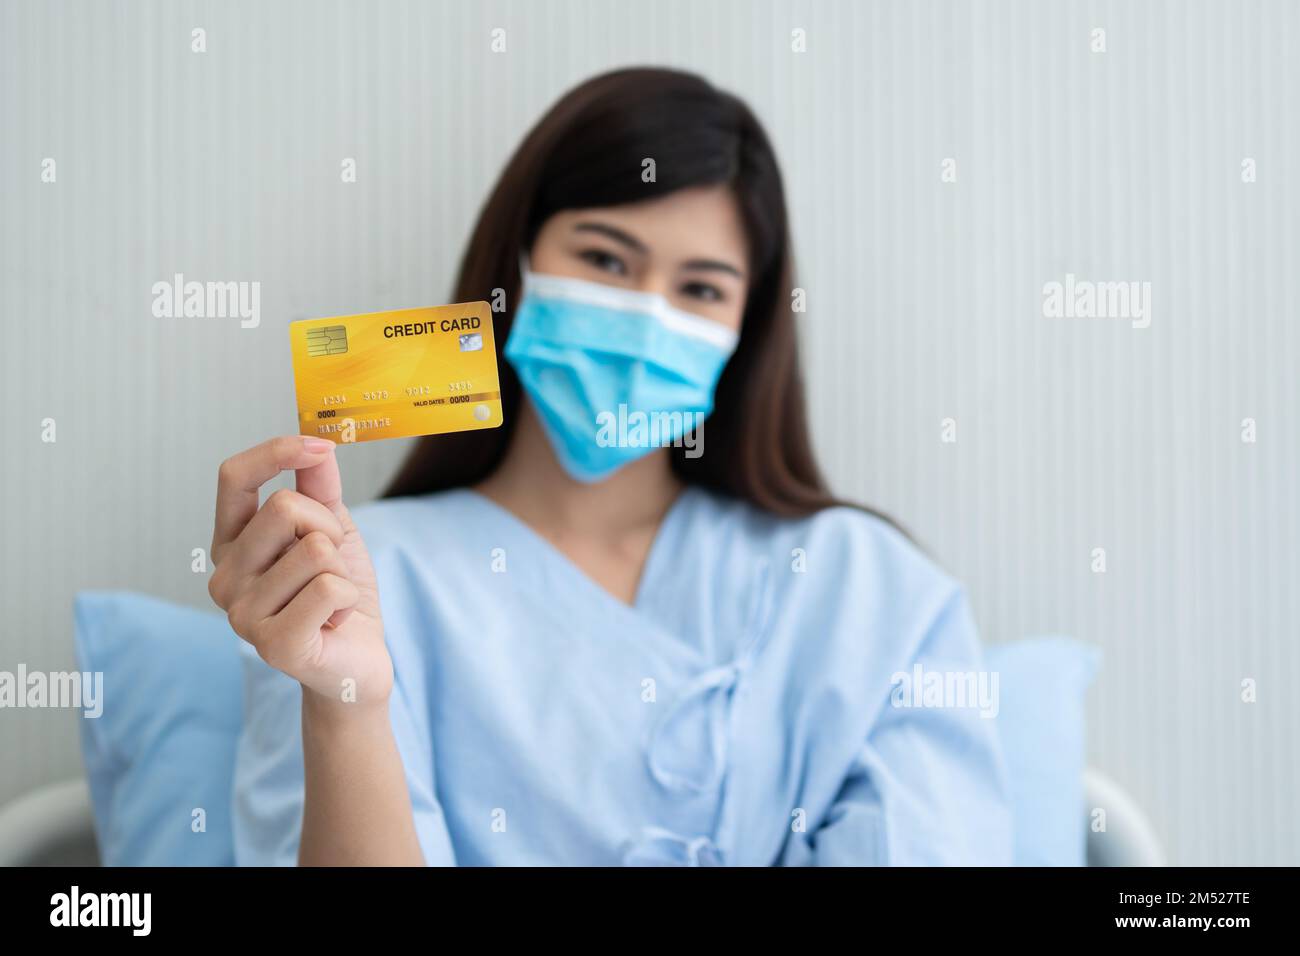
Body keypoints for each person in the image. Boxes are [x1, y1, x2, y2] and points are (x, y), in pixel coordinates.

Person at [208, 67, 1013, 866]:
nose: (645, 316)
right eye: (606, 260)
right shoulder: (347, 582)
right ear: (517, 267)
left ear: (748, 329)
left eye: (700, 288)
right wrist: (348, 709)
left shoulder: (868, 592)